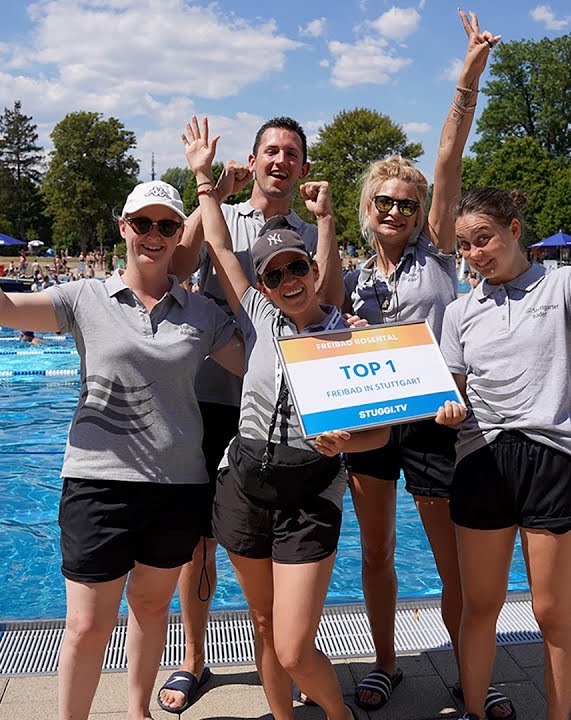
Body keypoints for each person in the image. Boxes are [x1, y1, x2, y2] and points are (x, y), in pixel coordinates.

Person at [0, 153, 243, 720]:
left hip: (178, 487)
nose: (154, 235)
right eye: (143, 223)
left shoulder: (200, 313)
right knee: (85, 625)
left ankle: (137, 712)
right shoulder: (84, 298)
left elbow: (259, 362)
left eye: (167, 225)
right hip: (98, 484)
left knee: (152, 612)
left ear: (180, 235)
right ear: (123, 227)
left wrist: (327, 333)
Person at [184, 116, 387, 720]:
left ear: (311, 269)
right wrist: (202, 181)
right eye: (274, 274)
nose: (288, 280)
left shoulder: (342, 338)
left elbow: (380, 430)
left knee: (296, 644)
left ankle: (338, 713)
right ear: (263, 285)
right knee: (265, 624)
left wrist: (345, 441)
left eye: (296, 268)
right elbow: (220, 247)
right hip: (245, 483)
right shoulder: (256, 315)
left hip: (310, 492)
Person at [438, 182, 571, 720]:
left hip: (551, 458)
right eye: (465, 245)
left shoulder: (562, 285)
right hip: (481, 460)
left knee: (553, 612)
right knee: (480, 608)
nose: (475, 254)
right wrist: (448, 408)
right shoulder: (460, 312)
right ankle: (472, 710)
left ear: (514, 231)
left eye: (484, 238)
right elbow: (453, 392)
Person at [340, 10, 498, 713]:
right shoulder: (348, 276)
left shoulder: (437, 247)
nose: (396, 209)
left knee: (450, 561)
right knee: (376, 554)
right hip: (375, 421)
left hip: (437, 417)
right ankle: (385, 663)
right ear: (366, 208)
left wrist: (466, 78)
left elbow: (447, 158)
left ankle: (470, 671)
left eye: (406, 202)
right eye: (384, 200)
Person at [159, 114, 344, 713]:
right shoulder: (227, 210)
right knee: (201, 541)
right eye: (271, 151)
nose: (281, 161)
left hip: (292, 417)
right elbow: (184, 263)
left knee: (289, 554)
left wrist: (326, 225)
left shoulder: (306, 231)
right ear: (256, 158)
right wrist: (206, 187)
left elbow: (331, 307)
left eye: (292, 153)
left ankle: (295, 663)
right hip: (216, 402)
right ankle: (192, 658)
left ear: (303, 167)